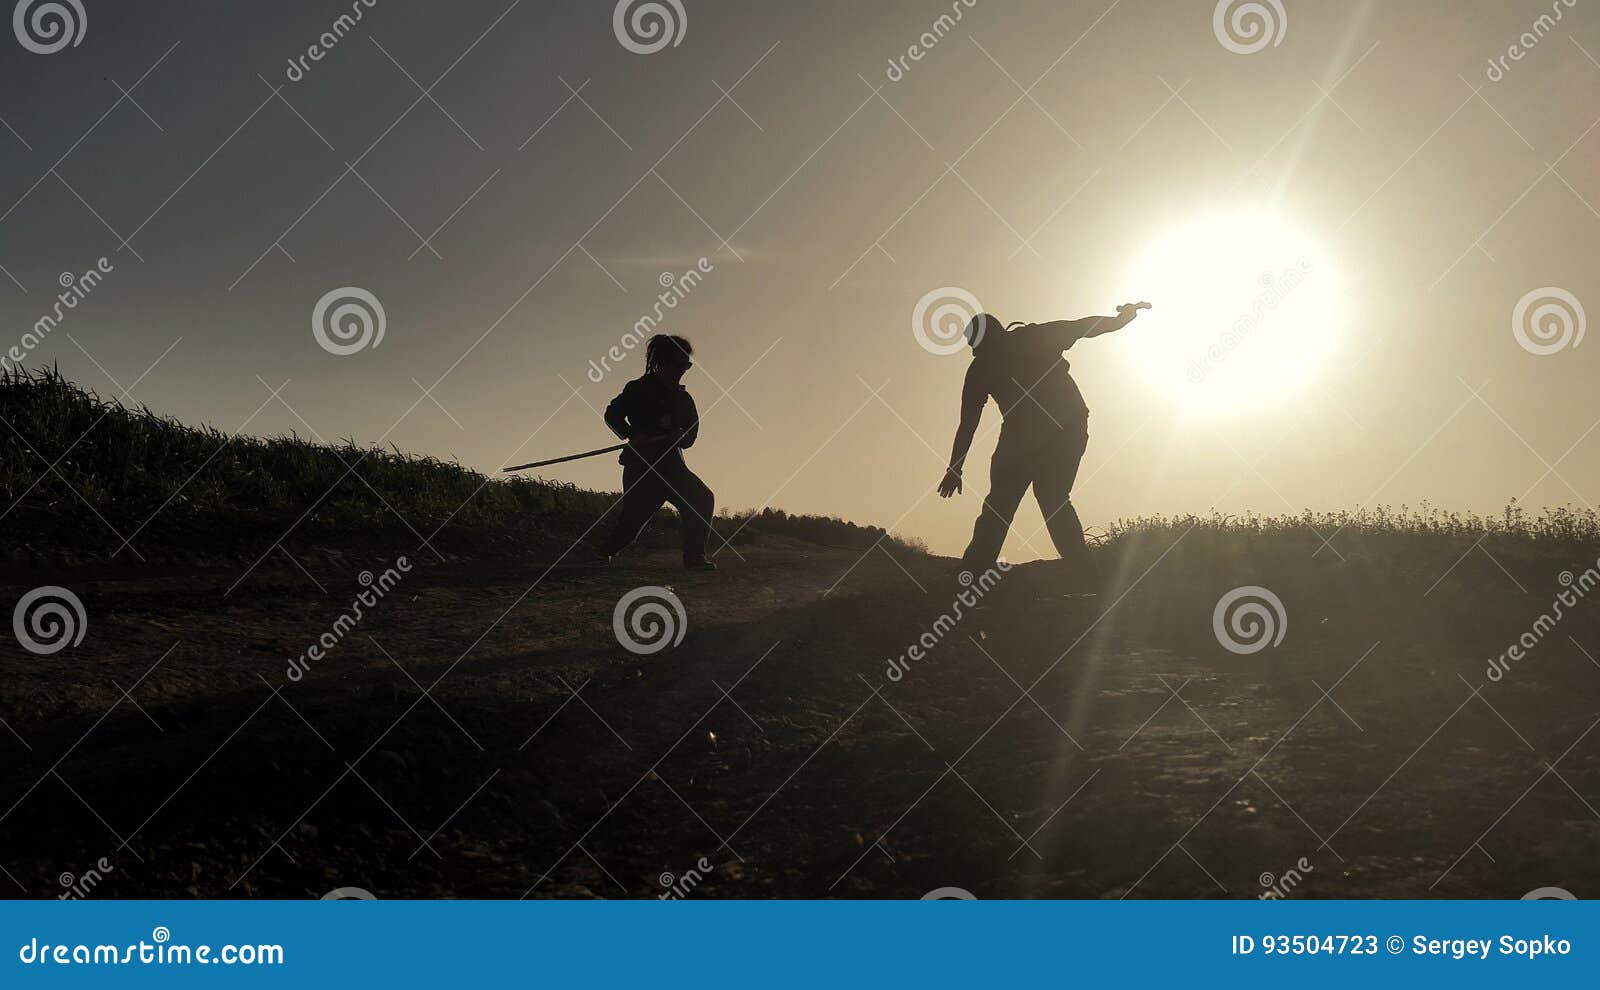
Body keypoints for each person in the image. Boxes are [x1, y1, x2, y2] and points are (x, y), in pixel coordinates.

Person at [938, 302, 1151, 583]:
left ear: (995, 338)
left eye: (980, 346)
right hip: (1040, 432)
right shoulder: (984, 366)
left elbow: (1085, 326)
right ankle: (975, 573)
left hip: (1062, 429)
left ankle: (1084, 575)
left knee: (1041, 500)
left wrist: (1121, 319)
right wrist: (955, 467)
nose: (980, 353)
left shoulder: (1030, 339)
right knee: (1023, 502)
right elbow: (968, 422)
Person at [595, 335, 718, 570]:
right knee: (632, 521)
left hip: (672, 466)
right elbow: (612, 415)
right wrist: (631, 433)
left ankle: (694, 558)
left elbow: (691, 433)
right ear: (663, 362)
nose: (683, 370)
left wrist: (682, 436)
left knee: (702, 498)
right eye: (679, 364)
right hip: (641, 465)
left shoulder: (683, 399)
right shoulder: (637, 389)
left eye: (687, 365)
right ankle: (603, 553)